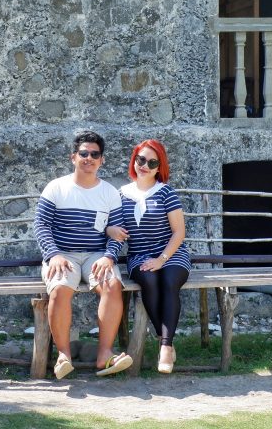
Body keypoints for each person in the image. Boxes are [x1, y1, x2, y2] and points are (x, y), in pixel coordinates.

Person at [33, 130, 134, 379]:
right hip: (62, 254)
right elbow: (41, 225)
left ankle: (104, 354)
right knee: (60, 289)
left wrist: (109, 257)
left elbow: (117, 232)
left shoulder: (110, 192)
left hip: (96, 255)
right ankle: (64, 355)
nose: (89, 158)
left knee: (111, 285)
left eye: (94, 154)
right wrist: (53, 254)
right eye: (84, 153)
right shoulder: (56, 187)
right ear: (73, 157)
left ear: (102, 160)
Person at [115, 138, 190, 373]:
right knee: (148, 279)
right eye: (141, 159)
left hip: (171, 253)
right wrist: (111, 230)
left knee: (168, 281)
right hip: (139, 254)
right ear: (134, 160)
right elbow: (114, 226)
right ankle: (163, 336)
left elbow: (179, 232)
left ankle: (165, 347)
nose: (145, 165)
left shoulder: (166, 192)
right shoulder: (122, 194)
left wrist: (161, 259)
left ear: (160, 166)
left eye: (152, 162)